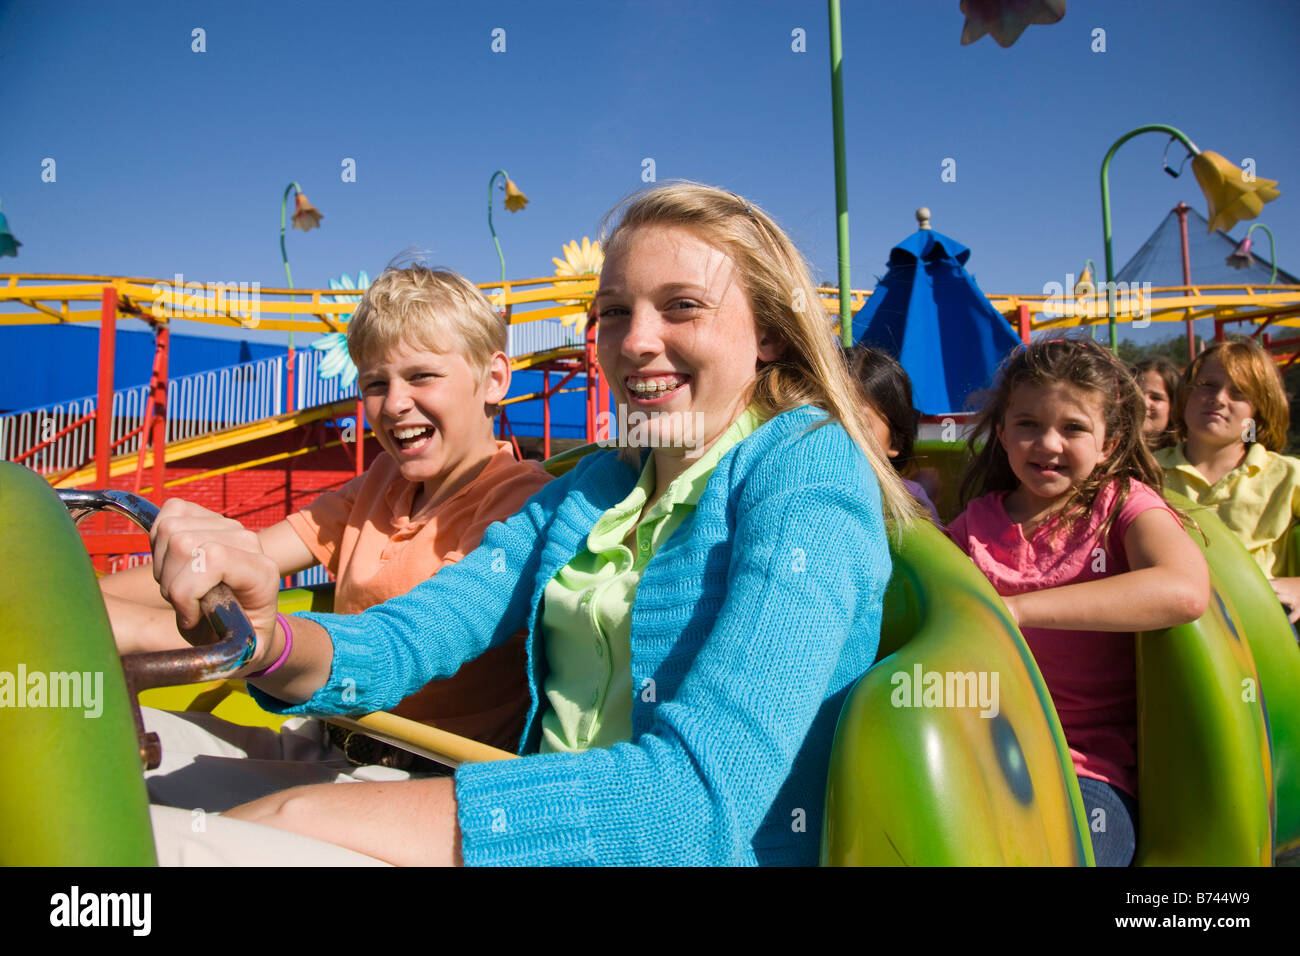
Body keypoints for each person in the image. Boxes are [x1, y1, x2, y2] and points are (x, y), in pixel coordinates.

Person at [143, 182, 918, 866]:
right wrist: (266, 637)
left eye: (681, 305)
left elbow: (690, 808)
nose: (637, 341)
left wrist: (311, 809)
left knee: (182, 846)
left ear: (770, 333)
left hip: (635, 843)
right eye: (614, 313)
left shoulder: (807, 473)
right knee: (136, 786)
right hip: (531, 827)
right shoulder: (599, 486)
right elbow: (415, 634)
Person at [100, 266, 552, 797]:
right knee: (91, 737)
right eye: (376, 385)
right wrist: (80, 593)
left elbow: (405, 644)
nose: (396, 403)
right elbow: (246, 554)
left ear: (494, 378)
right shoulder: (380, 483)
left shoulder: (520, 504)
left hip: (420, 779)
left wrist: (105, 627)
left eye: (422, 376)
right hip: (328, 738)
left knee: (143, 803)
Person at [946, 337, 1209, 866]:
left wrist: (1017, 610)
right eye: (1027, 425)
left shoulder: (1123, 506)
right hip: (976, 755)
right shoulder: (974, 524)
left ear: (1108, 442)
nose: (1048, 443)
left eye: (1073, 428)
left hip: (1085, 771)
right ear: (1002, 434)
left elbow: (1183, 589)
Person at [1156, 340, 1300, 622]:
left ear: (1259, 410)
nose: (1219, 398)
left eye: (1239, 392)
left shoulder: (1287, 475)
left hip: (1258, 623)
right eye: (1208, 384)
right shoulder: (1146, 471)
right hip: (1171, 627)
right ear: (1186, 395)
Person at [848, 345, 941, 523]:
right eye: (827, 419)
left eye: (860, 424)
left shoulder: (914, 505)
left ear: (895, 442)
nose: (839, 435)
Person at [1130, 357, 1181, 450]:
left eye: (1155, 398)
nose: (1144, 403)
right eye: (1136, 394)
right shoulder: (1102, 455)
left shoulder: (1189, 459)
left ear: (1175, 406)